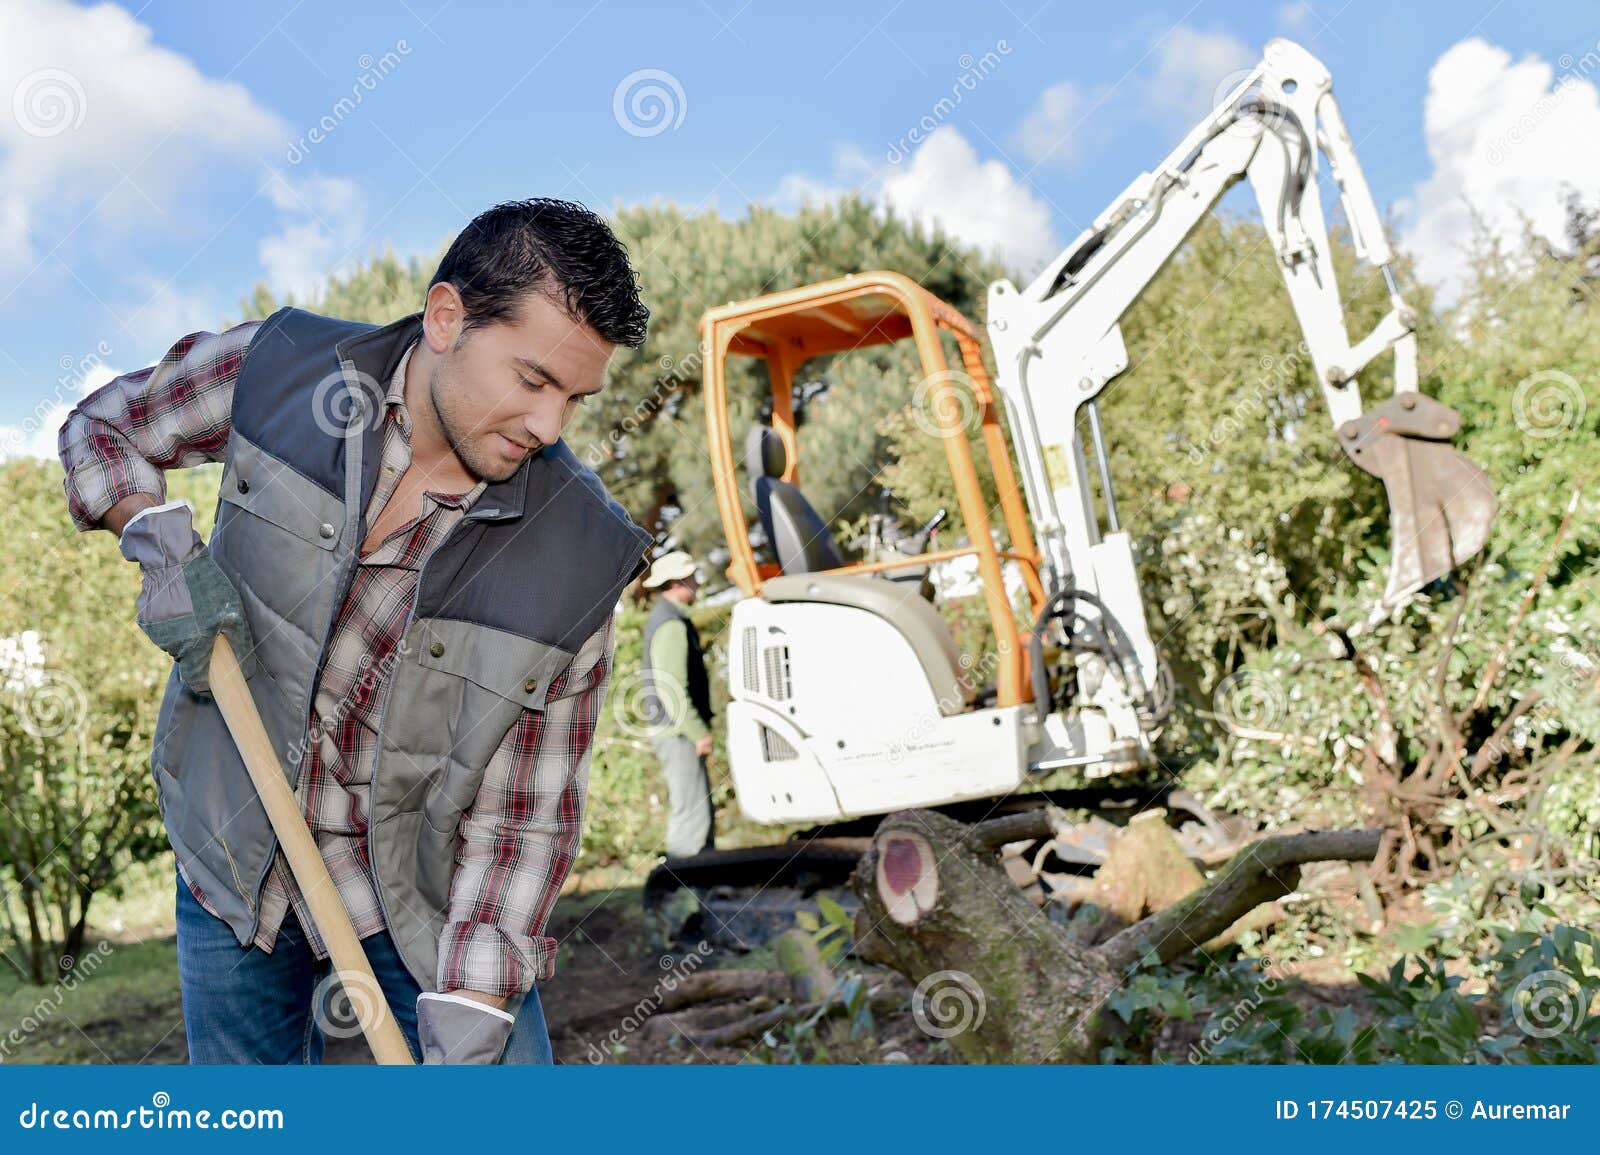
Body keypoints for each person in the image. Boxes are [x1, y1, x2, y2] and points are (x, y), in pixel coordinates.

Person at [56, 198, 652, 1065]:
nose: (549, 426)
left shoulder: (580, 557)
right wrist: (153, 539)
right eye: (532, 380)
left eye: (575, 396)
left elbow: (526, 816)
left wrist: (477, 1000)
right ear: (446, 318)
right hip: (235, 849)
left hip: (412, 895)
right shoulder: (283, 372)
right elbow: (99, 430)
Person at [639, 551, 716, 858]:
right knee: (692, 818)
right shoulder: (670, 623)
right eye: (692, 577)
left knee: (696, 814)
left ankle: (696, 900)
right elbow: (671, 690)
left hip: (675, 730)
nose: (697, 582)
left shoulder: (670, 617)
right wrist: (698, 731)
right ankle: (680, 904)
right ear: (678, 581)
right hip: (677, 732)